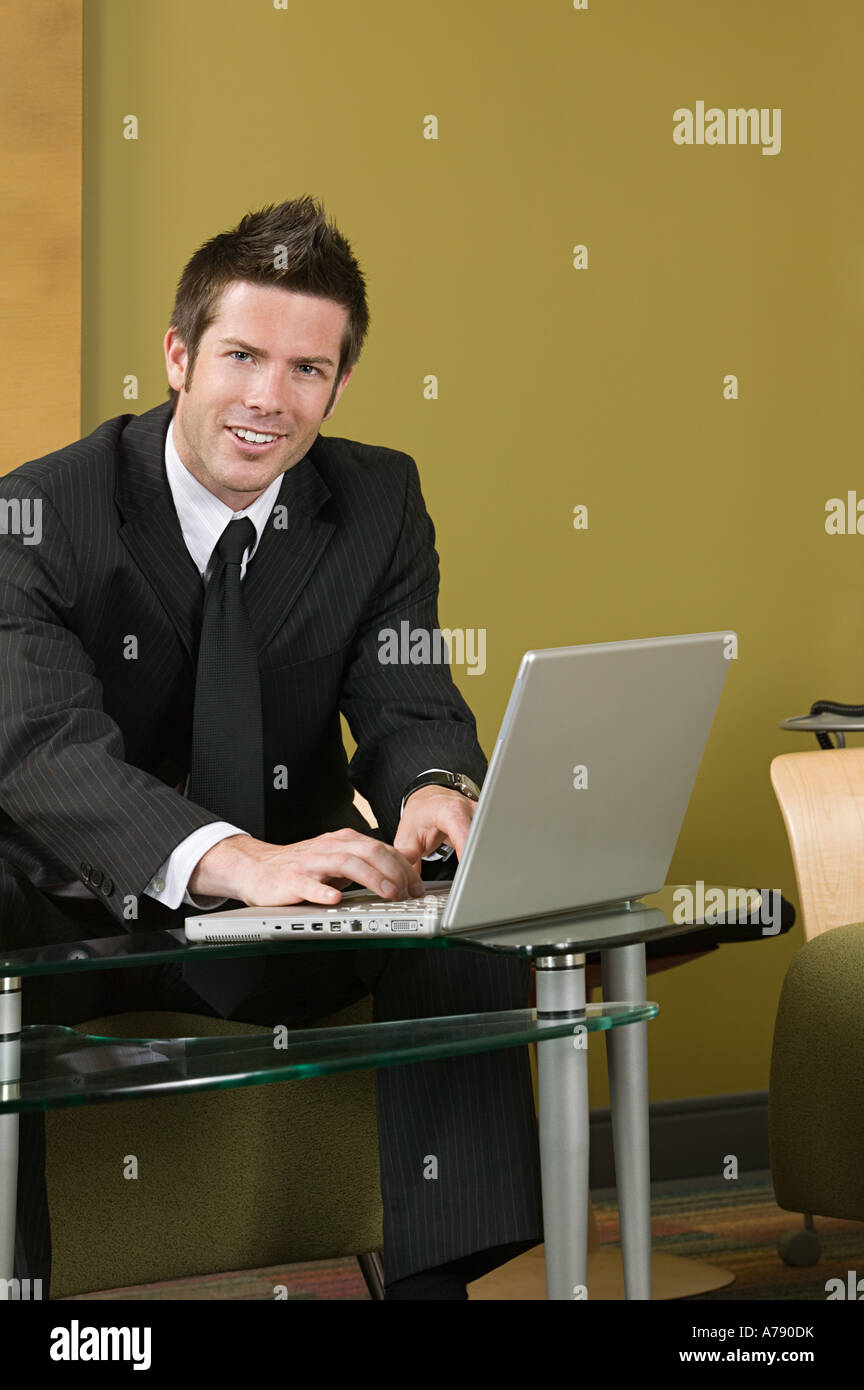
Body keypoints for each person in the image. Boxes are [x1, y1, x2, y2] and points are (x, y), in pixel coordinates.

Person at [0, 196, 543, 1299]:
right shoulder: (39, 514)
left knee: (457, 913)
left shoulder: (379, 499)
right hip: (82, 908)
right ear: (178, 355)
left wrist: (437, 788)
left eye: (307, 369)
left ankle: (437, 1285)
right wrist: (238, 859)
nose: (268, 398)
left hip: (297, 897)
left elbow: (410, 698)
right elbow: (44, 754)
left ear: (339, 385)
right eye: (242, 355)